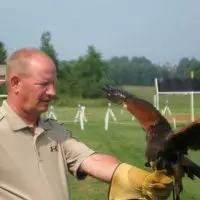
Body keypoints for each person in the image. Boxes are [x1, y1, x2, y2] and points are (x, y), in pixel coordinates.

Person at [0, 47, 173, 200]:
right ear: (16, 83)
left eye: (53, 84)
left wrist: (137, 179)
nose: (52, 92)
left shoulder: (53, 131)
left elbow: (92, 160)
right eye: (44, 84)